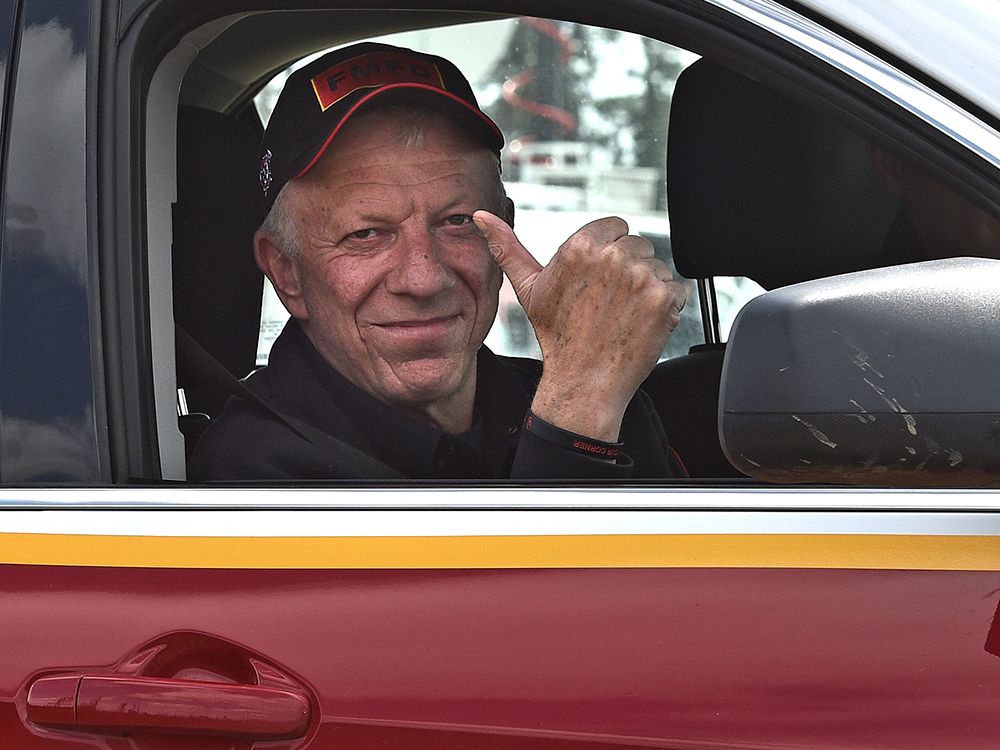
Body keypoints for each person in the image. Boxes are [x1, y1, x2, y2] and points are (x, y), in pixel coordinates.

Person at [189, 42, 687, 480]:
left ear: (504, 233)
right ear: (287, 272)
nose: (423, 278)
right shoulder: (251, 473)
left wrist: (579, 398)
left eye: (458, 221)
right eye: (366, 234)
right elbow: (539, 591)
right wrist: (575, 419)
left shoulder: (595, 400)